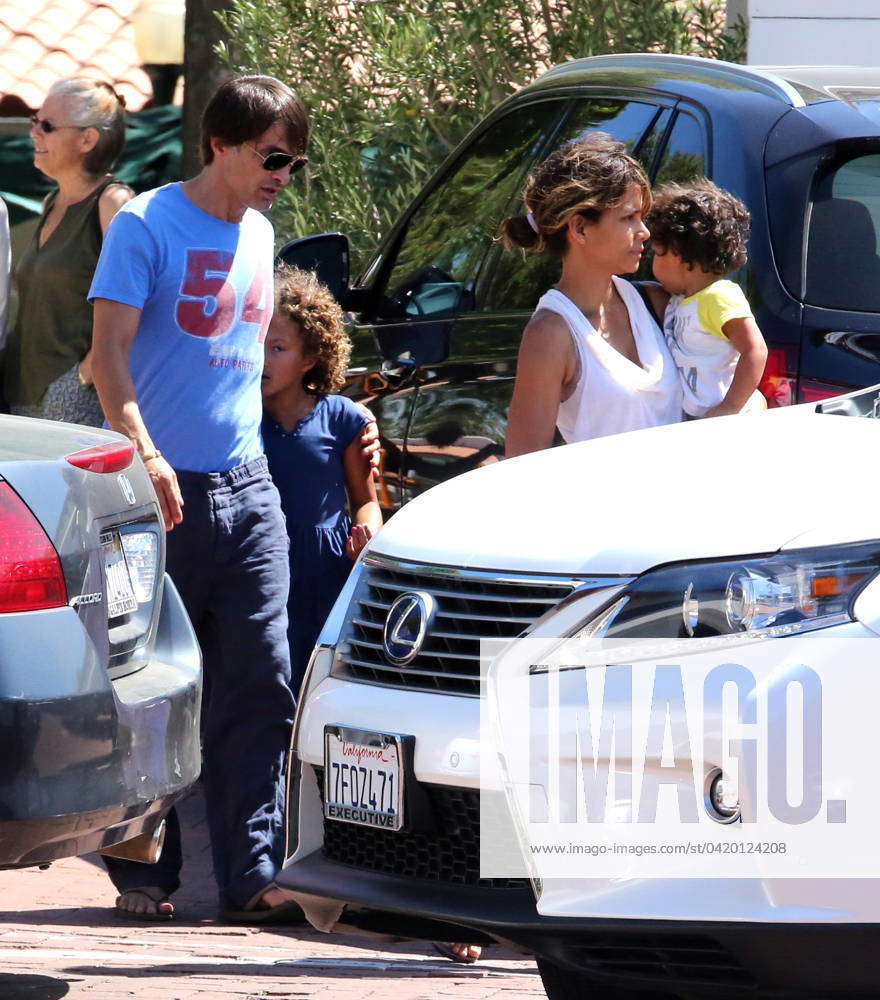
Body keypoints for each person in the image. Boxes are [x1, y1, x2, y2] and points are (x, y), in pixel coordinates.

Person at [88, 75, 374, 923]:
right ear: (220, 144)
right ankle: (144, 873)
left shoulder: (260, 231)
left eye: (295, 161)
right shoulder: (145, 225)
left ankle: (253, 878)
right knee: (146, 688)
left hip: (249, 490)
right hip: (153, 491)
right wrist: (145, 454)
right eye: (272, 157)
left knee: (262, 680)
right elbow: (107, 358)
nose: (284, 174)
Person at [501, 133, 682, 459]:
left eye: (641, 217)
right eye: (628, 218)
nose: (644, 231)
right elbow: (521, 465)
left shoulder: (655, 302)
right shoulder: (551, 334)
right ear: (580, 229)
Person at [261, 265, 382, 693]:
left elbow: (365, 500)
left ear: (309, 358)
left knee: (322, 675)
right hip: (266, 564)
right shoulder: (241, 419)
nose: (263, 359)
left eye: (277, 348)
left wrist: (369, 536)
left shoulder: (343, 418)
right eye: (256, 345)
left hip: (327, 570)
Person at [3, 78, 131, 425]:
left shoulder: (113, 202)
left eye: (46, 125)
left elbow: (140, 301)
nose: (34, 133)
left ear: (88, 140)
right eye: (34, 121)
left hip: (74, 401)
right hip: (22, 391)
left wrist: (82, 378)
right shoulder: (52, 201)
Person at [646, 179, 768, 418]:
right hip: (697, 415)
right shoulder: (679, 300)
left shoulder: (718, 296)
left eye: (658, 254)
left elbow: (755, 350)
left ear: (680, 256)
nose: (652, 264)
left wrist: (730, 406)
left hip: (727, 419)